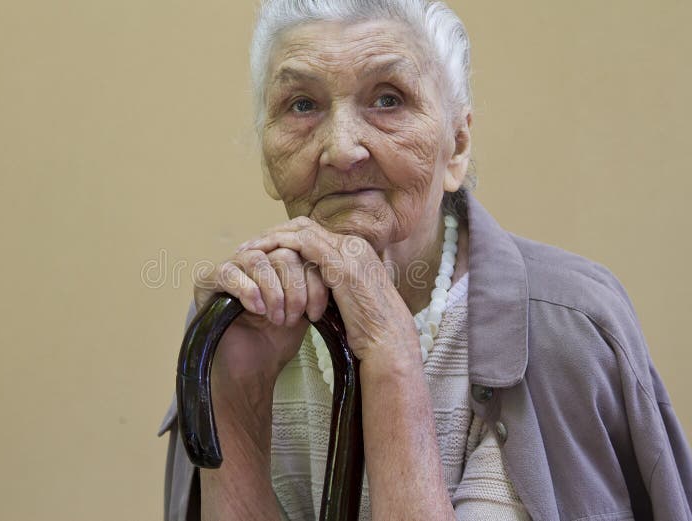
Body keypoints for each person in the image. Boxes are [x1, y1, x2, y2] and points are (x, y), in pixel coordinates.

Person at [159, 1, 692, 519]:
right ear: (265, 154)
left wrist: (392, 356)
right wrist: (235, 394)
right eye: (302, 105)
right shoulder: (239, 319)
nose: (342, 148)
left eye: (388, 100)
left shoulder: (562, 329)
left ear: (456, 146)